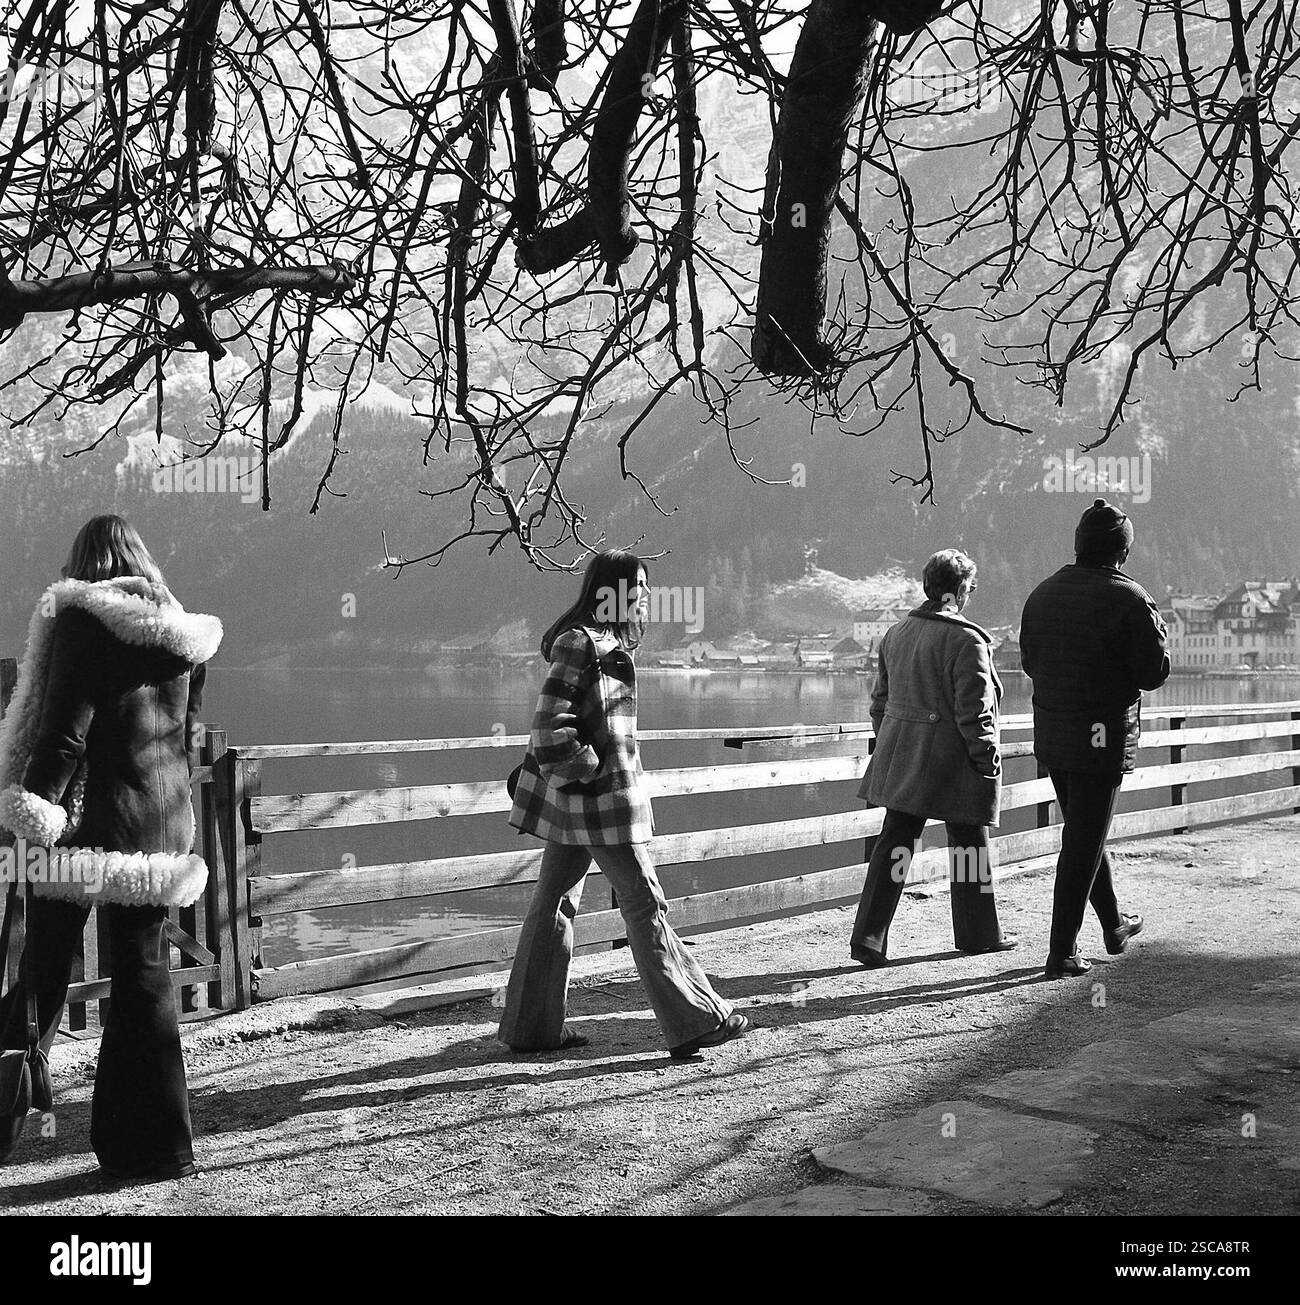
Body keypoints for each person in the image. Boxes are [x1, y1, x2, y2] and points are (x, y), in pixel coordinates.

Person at [0, 515, 222, 1177]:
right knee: (146, 984)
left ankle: (9, 1119)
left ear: (83, 567)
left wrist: (32, 808)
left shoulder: (83, 620)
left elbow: (65, 732)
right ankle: (156, 1149)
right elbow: (179, 738)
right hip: (161, 832)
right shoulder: (184, 639)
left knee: (38, 975)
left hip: (83, 832)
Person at [499, 550, 750, 1059]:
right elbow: (550, 728)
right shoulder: (581, 643)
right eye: (636, 583)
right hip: (599, 806)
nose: (645, 593)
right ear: (607, 589)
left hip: (586, 806)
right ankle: (696, 1019)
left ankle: (531, 1029)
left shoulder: (605, 644)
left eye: (647, 584)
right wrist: (590, 772)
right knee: (644, 902)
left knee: (555, 904)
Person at [1020, 498, 1170, 979]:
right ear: (1121, 551)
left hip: (1055, 733)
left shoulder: (1041, 595)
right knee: (1084, 839)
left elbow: (1029, 662)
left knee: (1085, 831)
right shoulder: (1131, 599)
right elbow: (1152, 674)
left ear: (1080, 546)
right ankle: (1061, 952)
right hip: (1101, 738)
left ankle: (1113, 926)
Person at [850, 549, 1018, 966]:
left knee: (896, 843)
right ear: (959, 590)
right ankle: (978, 935)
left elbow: (879, 704)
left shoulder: (896, 633)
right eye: (971, 589)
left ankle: (869, 938)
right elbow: (975, 714)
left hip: (903, 758)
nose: (970, 595)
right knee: (968, 843)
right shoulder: (967, 641)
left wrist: (895, 742)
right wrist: (987, 760)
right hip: (954, 762)